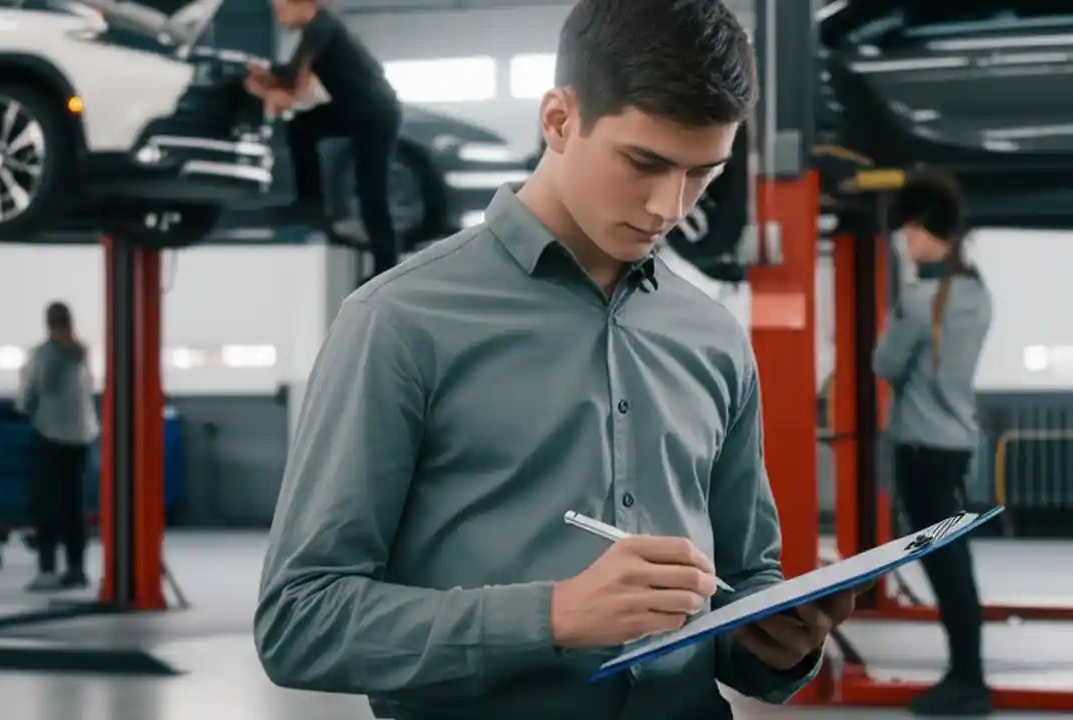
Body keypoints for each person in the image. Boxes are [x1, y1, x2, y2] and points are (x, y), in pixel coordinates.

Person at [254, 2, 862, 718]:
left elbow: (742, 581)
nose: (669, 205)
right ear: (558, 119)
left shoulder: (714, 338)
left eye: (703, 173)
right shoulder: (399, 322)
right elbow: (299, 621)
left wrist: (775, 642)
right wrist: (550, 616)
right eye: (645, 162)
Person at [873, 170, 993, 716]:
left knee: (946, 563)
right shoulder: (977, 293)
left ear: (922, 231)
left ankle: (967, 679)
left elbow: (884, 364)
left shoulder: (920, 301)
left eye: (906, 230)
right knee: (953, 560)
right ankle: (967, 672)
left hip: (921, 447)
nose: (903, 240)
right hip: (956, 443)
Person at [244, 0, 403, 278]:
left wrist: (267, 90)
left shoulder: (321, 28)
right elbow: (291, 74)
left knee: (371, 194)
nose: (278, 18)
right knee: (301, 130)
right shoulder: (314, 30)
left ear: (302, 4)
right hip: (352, 109)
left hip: (376, 115)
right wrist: (264, 75)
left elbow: (295, 88)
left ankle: (387, 269)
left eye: (281, 10)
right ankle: (311, 203)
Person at [17, 301, 99, 592]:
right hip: (81, 438)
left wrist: (25, 408)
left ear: (48, 322)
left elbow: (32, 391)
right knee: (74, 506)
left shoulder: (45, 353)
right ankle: (76, 570)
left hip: (50, 435)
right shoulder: (82, 352)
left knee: (46, 505)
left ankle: (47, 571)